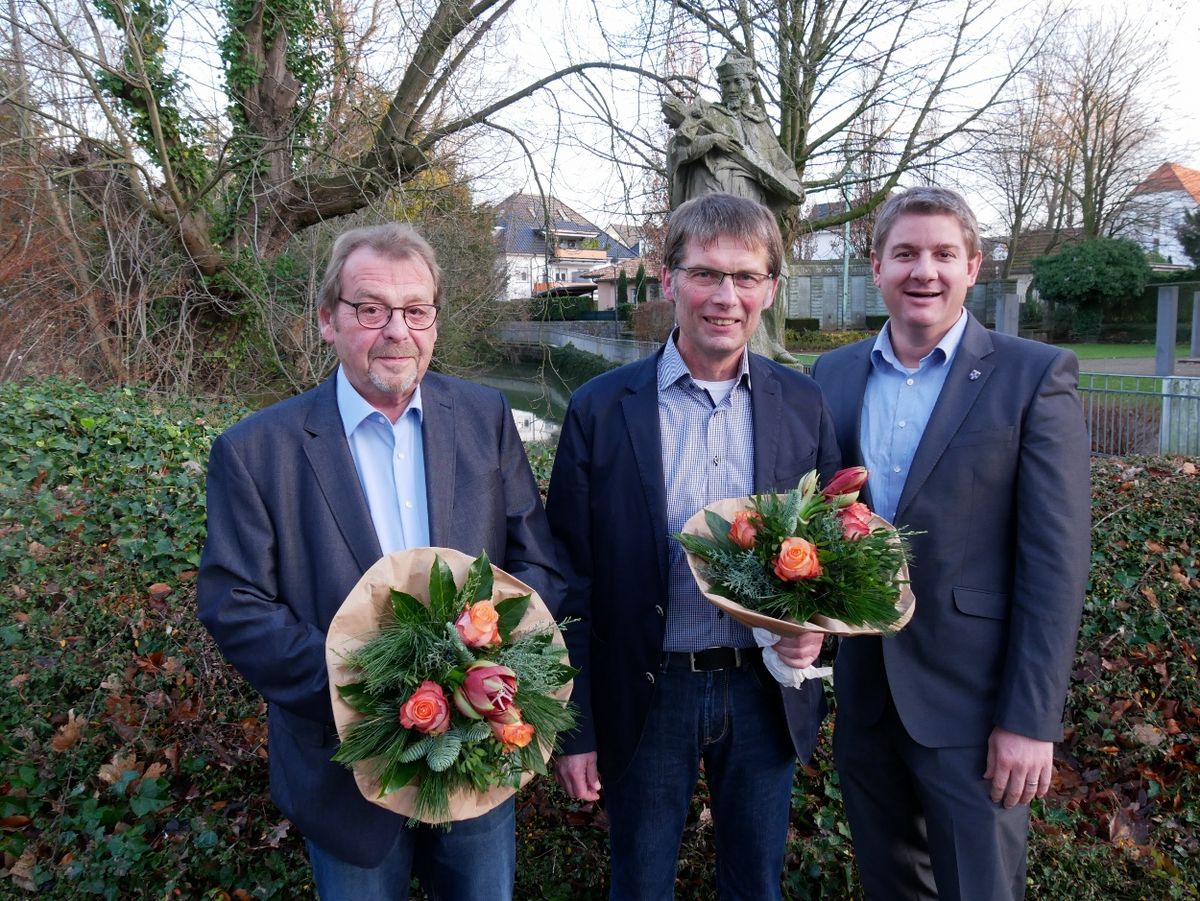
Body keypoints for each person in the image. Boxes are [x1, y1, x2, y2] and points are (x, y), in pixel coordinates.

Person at [197, 223, 562, 901]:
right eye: (371, 308)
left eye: (415, 310)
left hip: (478, 765)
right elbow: (235, 604)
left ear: (433, 321)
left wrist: (494, 667)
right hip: (344, 780)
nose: (396, 330)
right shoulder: (257, 451)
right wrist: (365, 692)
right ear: (329, 320)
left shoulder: (484, 417)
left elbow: (536, 563)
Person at [546, 192, 840, 900]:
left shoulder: (803, 404)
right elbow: (566, 579)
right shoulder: (600, 408)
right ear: (669, 278)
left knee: (754, 886)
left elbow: (835, 554)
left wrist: (819, 639)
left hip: (762, 690)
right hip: (649, 689)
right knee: (640, 884)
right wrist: (573, 724)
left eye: (746, 277)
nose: (725, 296)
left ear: (770, 288)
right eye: (707, 273)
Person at [810, 186, 1091, 900]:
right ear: (876, 266)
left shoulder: (1034, 375)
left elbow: (1054, 563)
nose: (923, 271)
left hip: (976, 709)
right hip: (869, 700)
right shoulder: (833, 374)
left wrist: (1029, 720)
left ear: (973, 266)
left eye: (942, 254)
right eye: (905, 253)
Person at [664, 51, 803, 216]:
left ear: (751, 82)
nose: (731, 89)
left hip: (749, 200)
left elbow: (782, 165)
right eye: (725, 83)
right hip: (710, 194)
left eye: (738, 82)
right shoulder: (707, 112)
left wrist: (794, 185)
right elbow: (679, 150)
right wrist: (712, 140)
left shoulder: (760, 125)